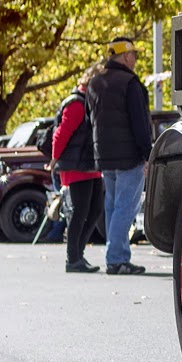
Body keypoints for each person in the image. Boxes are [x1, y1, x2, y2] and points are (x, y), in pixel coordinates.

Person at [87, 36, 152, 275]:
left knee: (113, 206)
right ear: (126, 56)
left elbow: (89, 120)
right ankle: (116, 258)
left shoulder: (94, 83)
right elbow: (140, 123)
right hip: (128, 156)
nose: (135, 59)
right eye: (133, 55)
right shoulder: (130, 83)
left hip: (104, 156)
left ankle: (116, 254)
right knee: (126, 207)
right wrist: (148, 153)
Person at [54, 64, 106, 274]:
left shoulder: (90, 102)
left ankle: (78, 253)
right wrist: (54, 159)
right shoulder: (76, 103)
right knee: (80, 211)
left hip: (89, 164)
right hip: (75, 165)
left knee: (94, 210)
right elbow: (61, 134)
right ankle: (72, 257)